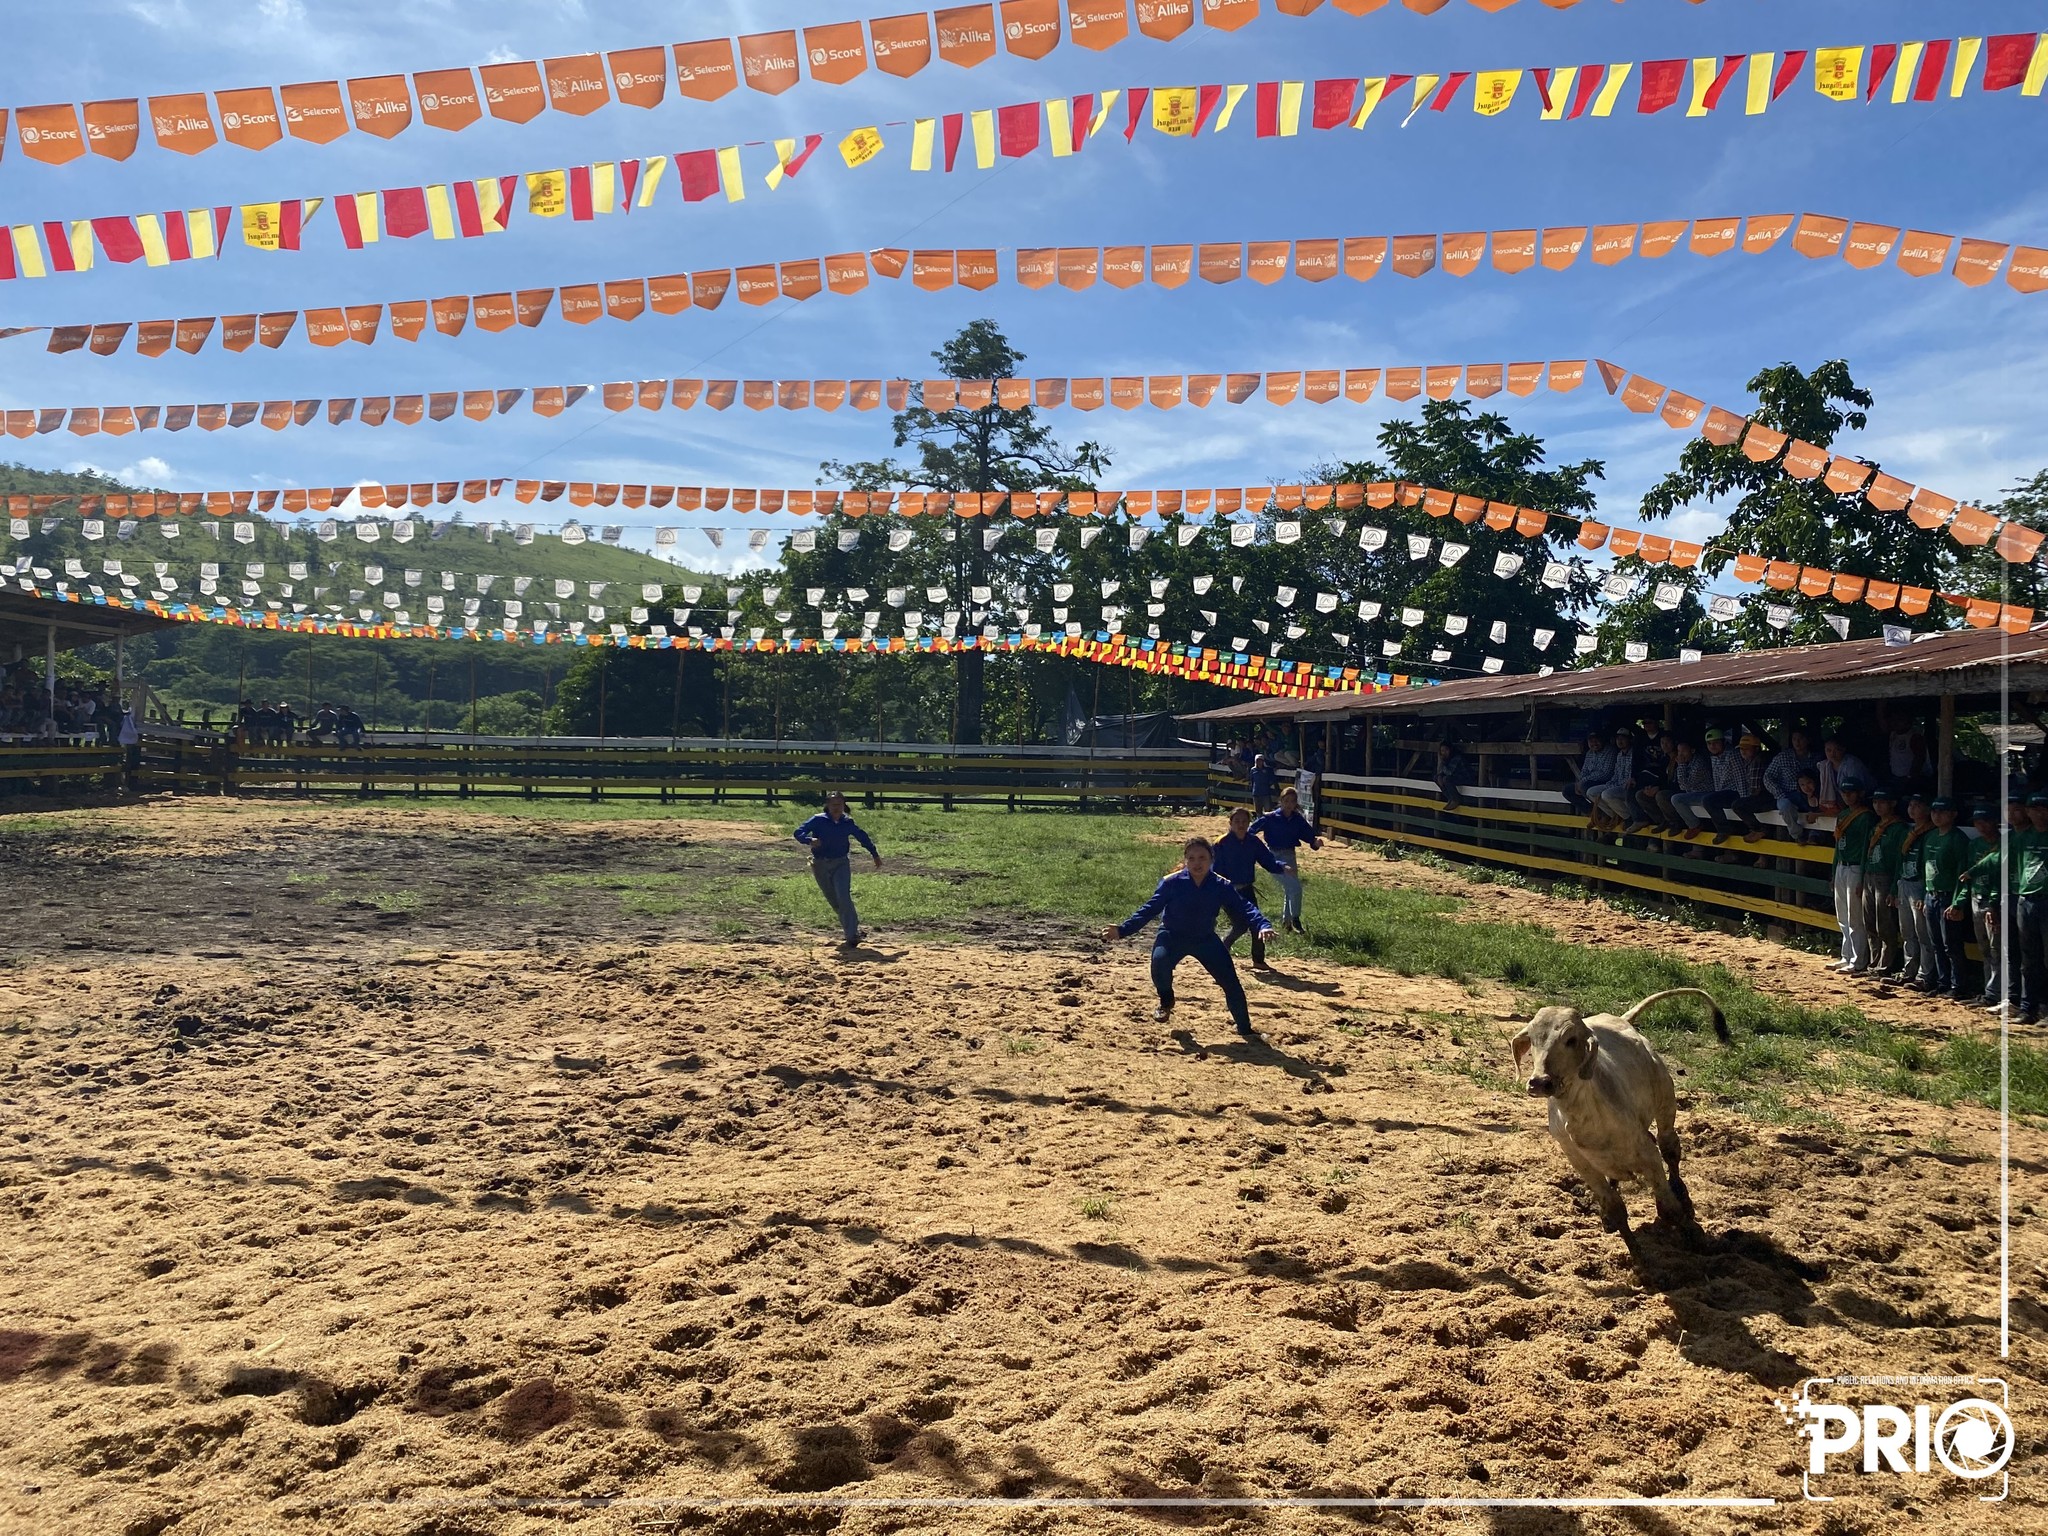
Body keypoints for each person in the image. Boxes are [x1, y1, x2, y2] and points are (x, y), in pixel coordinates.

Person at [1101, 835, 1276, 1036]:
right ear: (1185, 860)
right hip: (1172, 936)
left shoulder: (1221, 885)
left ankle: (1245, 1030)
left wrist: (1262, 924)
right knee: (1159, 964)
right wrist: (1123, 930)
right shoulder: (1172, 883)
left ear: (1211, 859)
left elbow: (1245, 907)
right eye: (1191, 858)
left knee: (1231, 983)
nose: (1196, 863)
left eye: (1202, 858)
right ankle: (1166, 1001)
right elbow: (1149, 909)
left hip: (1205, 939)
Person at [793, 791, 882, 948]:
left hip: (841, 863)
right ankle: (851, 929)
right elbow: (798, 832)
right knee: (833, 899)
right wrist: (808, 840)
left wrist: (874, 854)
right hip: (820, 864)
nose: (836, 807)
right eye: (833, 804)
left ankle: (852, 934)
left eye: (839, 804)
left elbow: (862, 837)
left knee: (843, 896)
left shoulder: (847, 823)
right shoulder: (818, 820)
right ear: (827, 805)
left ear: (844, 805)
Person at [1212, 807, 1284, 970]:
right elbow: (1215, 870)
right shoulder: (1221, 843)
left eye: (1244, 821)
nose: (1241, 824)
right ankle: (1223, 949)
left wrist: (1281, 867)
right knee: (1240, 924)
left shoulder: (1253, 842)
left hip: (1246, 889)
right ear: (1230, 823)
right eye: (1237, 821)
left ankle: (1258, 960)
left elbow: (1267, 860)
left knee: (1255, 923)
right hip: (1228, 891)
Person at [1952, 805, 2007, 1010]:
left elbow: (1998, 877)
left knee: (1997, 949)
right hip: (1976, 898)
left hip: (1994, 902)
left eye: (1985, 821)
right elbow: (1966, 878)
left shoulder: (2003, 843)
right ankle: (1989, 992)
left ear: (1995, 822)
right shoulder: (1974, 845)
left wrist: (1994, 903)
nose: (1981, 826)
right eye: (1977, 822)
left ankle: (2001, 995)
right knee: (1985, 949)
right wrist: (1960, 902)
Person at [1914, 797, 1969, 997]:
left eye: (1942, 812)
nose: (1937, 816)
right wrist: (1923, 894)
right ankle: (1942, 982)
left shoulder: (1958, 839)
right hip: (1931, 895)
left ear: (1953, 814)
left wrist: (1958, 902)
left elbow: (1962, 874)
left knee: (1951, 944)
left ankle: (1958, 985)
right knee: (1936, 942)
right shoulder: (1930, 837)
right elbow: (1924, 868)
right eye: (1934, 812)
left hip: (1948, 896)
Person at [1252, 785, 1323, 938]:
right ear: (1281, 801)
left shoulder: (1297, 819)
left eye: (1292, 801)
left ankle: (1287, 923)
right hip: (1273, 857)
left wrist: (1315, 842)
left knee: (1289, 889)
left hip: (1290, 855)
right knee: (1295, 888)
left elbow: (1308, 835)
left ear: (1296, 803)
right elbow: (1251, 830)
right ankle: (1296, 919)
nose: (1289, 804)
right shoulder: (1270, 817)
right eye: (1286, 800)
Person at [1861, 787, 1909, 979]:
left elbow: (1899, 859)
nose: (1878, 806)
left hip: (1885, 876)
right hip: (1869, 875)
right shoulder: (1875, 827)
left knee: (1885, 923)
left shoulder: (1899, 828)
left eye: (1882, 802)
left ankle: (1885, 965)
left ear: (1892, 804)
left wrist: (1894, 887)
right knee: (1869, 921)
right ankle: (1874, 962)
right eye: (1875, 803)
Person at [1828, 780, 1874, 975]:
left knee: (1855, 916)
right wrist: (1833, 872)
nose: (1847, 796)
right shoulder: (1843, 814)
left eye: (1851, 792)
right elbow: (1838, 847)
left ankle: (1858, 959)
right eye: (1844, 793)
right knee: (1843, 914)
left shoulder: (1865, 817)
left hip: (1856, 866)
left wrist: (1863, 875)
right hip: (1842, 866)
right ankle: (1846, 955)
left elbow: (1865, 848)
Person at [2014, 794, 2048, 1024]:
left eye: (2043, 808)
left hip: (2045, 900)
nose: (2039, 813)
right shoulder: (2023, 838)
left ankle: (2045, 1008)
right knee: (2028, 958)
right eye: (2034, 809)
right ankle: (2028, 1007)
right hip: (2025, 900)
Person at [1895, 792, 1935, 985]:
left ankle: (1925, 975)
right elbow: (1899, 860)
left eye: (1917, 805)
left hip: (1920, 883)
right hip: (1905, 880)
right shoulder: (1908, 831)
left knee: (1923, 933)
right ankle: (1909, 970)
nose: (1912, 809)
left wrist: (1926, 891)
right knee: (1907, 931)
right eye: (1910, 805)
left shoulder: (1930, 833)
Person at [1659, 739, 1712, 837]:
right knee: (1663, 796)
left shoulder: (1699, 763)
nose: (1680, 754)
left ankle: (1695, 825)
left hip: (1705, 794)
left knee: (1677, 799)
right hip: (1693, 793)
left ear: (1692, 751)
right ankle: (1672, 823)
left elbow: (1684, 786)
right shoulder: (1689, 761)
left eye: (1684, 751)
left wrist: (1681, 765)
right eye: (1679, 751)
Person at [1566, 729, 1612, 818]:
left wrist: (1583, 781)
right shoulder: (1589, 753)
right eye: (1591, 741)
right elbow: (1584, 771)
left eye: (1597, 740)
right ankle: (1594, 813)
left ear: (1602, 740)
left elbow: (1606, 774)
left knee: (1585, 787)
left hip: (1605, 782)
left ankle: (1605, 813)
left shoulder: (1610, 751)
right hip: (1589, 781)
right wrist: (1581, 781)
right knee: (1567, 790)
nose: (1594, 743)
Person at [1433, 740, 1470, 812]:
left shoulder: (1456, 757)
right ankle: (1450, 798)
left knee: (1446, 779)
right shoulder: (1446, 759)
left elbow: (1449, 772)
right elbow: (1439, 772)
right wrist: (1439, 775)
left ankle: (1456, 799)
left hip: (1465, 778)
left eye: (1446, 750)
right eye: (1442, 751)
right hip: (1455, 778)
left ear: (1450, 750)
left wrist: (1441, 762)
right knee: (1436, 778)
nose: (1444, 753)